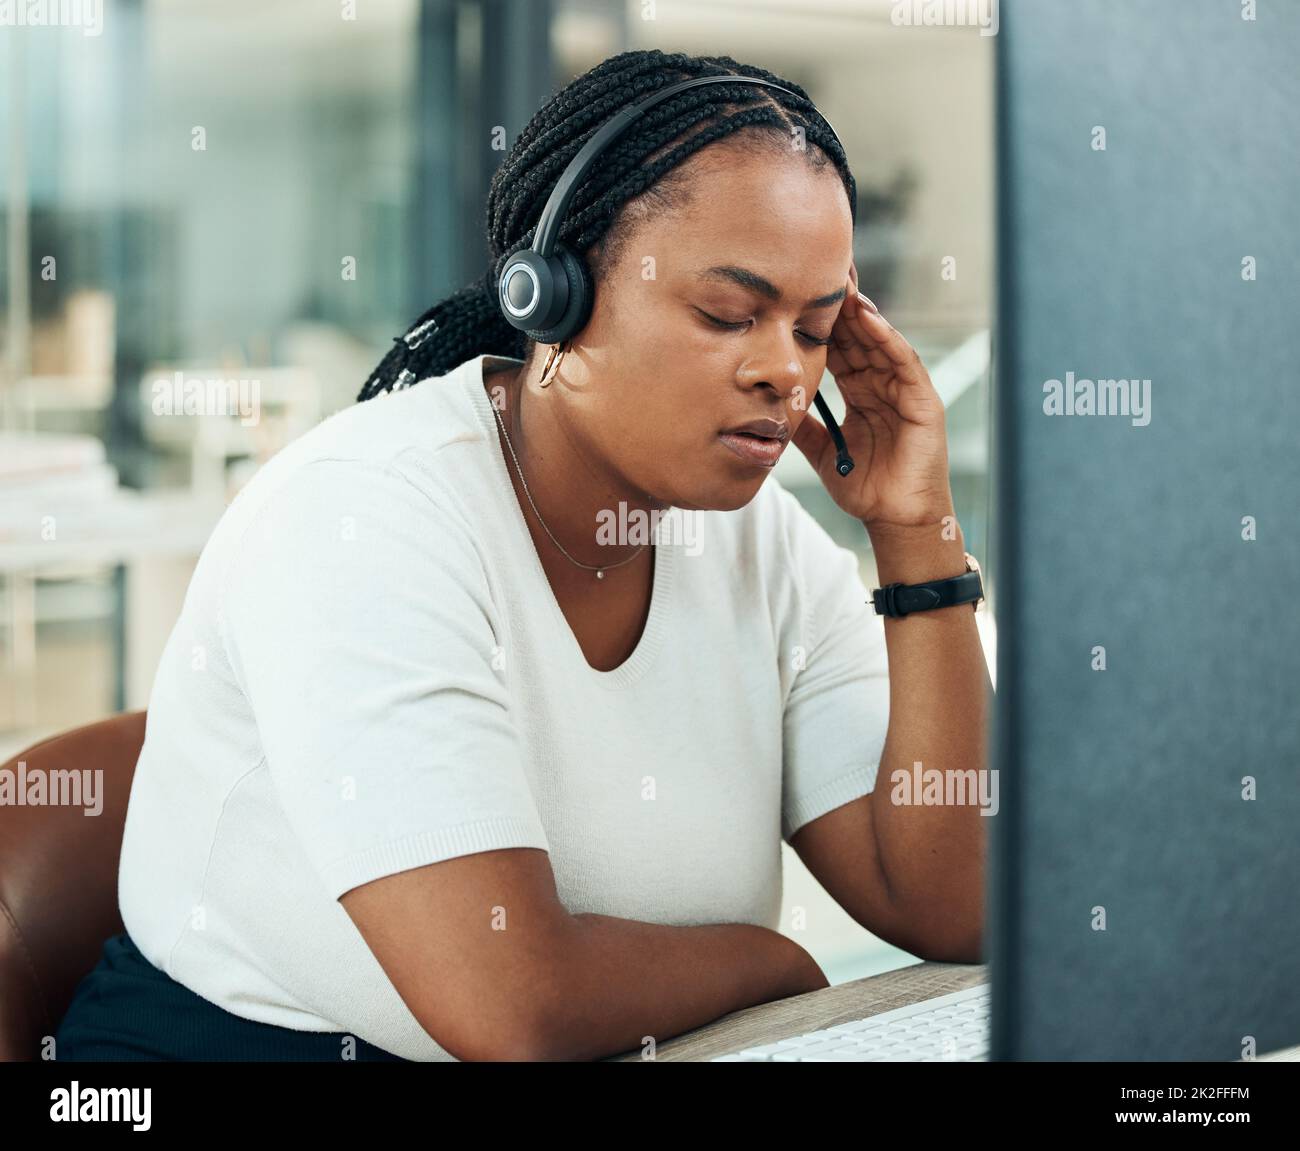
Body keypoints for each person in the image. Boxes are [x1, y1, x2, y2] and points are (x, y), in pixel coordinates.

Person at [55, 48, 989, 1063]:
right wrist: (773, 968)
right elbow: (512, 1002)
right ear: (555, 296)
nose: (782, 370)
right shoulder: (364, 518)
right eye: (727, 313)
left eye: (814, 330)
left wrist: (915, 535)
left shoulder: (758, 541)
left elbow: (954, 903)